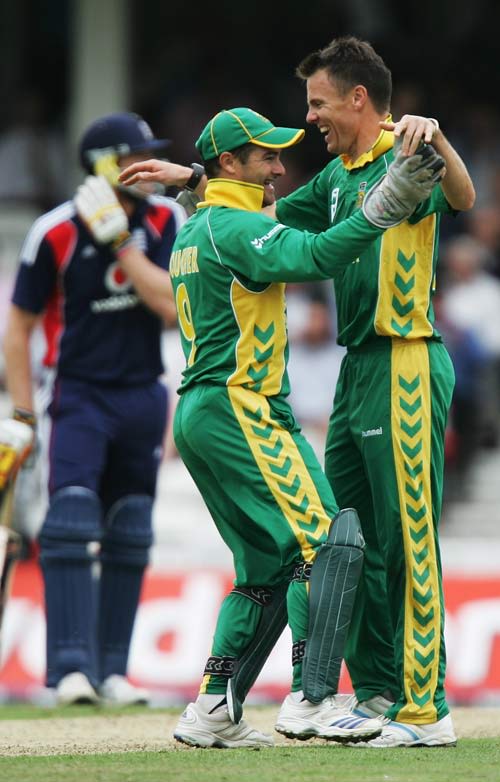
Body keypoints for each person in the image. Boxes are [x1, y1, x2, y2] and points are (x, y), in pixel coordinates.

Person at [119, 106, 444, 747]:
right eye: (265, 156)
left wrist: (192, 182)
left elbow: (266, 220)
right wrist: (381, 210)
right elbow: (319, 253)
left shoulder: (201, 227)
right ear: (231, 165)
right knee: (328, 543)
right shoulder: (234, 227)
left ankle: (214, 707)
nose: (279, 166)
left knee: (264, 569)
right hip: (244, 404)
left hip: (206, 411)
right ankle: (312, 700)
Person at [270, 36, 475, 747]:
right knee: (349, 539)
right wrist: (193, 185)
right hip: (358, 370)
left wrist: (438, 139)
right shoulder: (332, 178)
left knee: (408, 535)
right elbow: (262, 222)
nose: (311, 120)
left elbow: (463, 195)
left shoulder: (407, 151)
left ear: (360, 99)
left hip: (406, 361)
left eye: (319, 104)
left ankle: (427, 711)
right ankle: (380, 691)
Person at [2, 111, 193, 706]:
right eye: (138, 156)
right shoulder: (55, 230)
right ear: (109, 164)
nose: (153, 167)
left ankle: (113, 670)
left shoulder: (169, 219)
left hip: (142, 390)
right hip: (78, 392)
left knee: (130, 530)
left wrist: (120, 242)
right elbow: (19, 328)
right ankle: (68, 672)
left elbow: (171, 307)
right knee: (70, 523)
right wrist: (25, 414)